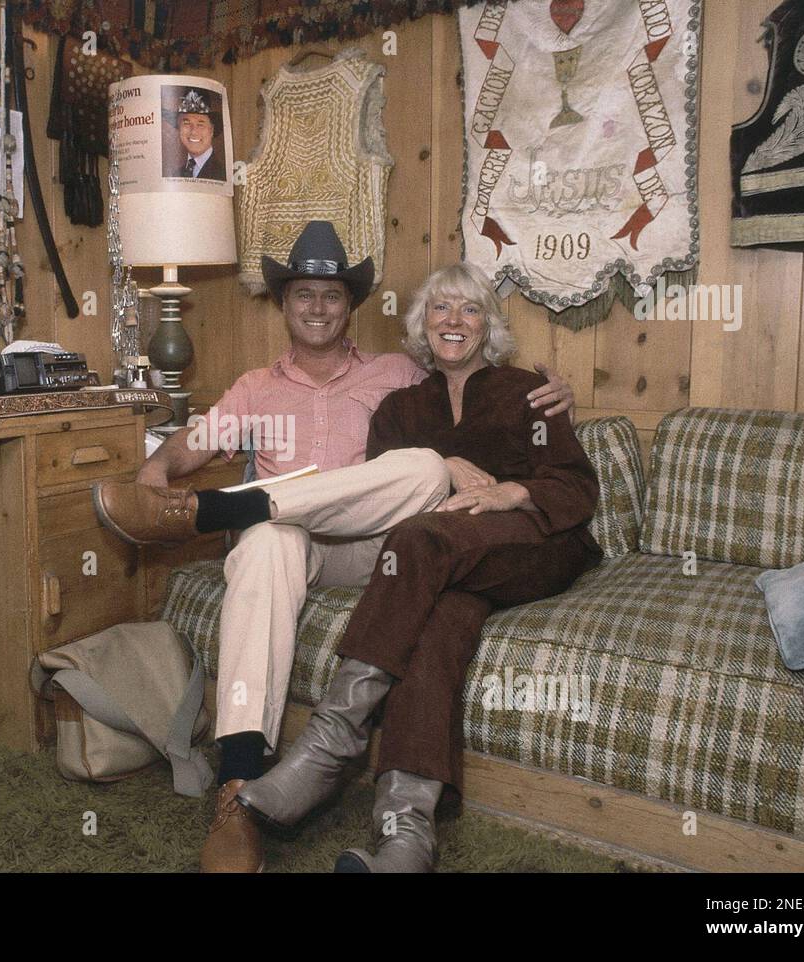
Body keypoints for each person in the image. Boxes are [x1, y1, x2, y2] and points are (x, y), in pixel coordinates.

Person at [90, 221, 576, 873]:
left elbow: (473, 367)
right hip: (298, 546)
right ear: (284, 303)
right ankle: (238, 789)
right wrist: (155, 476)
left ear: (350, 307)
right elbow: (192, 443)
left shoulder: (398, 372)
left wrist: (552, 403)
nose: (317, 307)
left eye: (331, 295)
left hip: (379, 543)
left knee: (427, 466)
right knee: (266, 543)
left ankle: (214, 512)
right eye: (303, 295)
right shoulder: (254, 389)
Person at [234, 263, 604, 872]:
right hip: (445, 563)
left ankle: (331, 743)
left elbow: (573, 483)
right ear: (421, 324)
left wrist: (509, 493)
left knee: (419, 541)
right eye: (440, 309)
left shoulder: (525, 391)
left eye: (470, 309)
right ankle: (405, 835)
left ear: (488, 327)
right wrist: (443, 463)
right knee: (436, 622)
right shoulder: (400, 409)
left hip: (533, 542)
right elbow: (384, 497)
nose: (453, 321)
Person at [170, 89, 226, 181]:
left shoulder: (223, 175)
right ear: (179, 127)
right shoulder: (175, 174)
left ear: (211, 130)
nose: (193, 132)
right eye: (187, 123)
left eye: (200, 124)